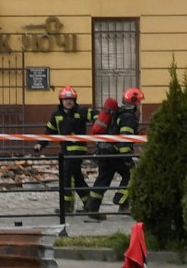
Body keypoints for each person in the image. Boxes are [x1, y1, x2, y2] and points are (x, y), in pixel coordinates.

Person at [43, 85, 98, 218]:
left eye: (71, 99)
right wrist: (40, 144)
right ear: (61, 101)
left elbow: (96, 115)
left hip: (78, 150)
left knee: (67, 174)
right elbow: (50, 131)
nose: (69, 101)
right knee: (77, 177)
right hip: (66, 150)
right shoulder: (57, 115)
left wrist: (98, 126)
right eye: (66, 99)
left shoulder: (81, 111)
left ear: (75, 100)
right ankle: (89, 204)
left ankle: (67, 206)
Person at [89, 87, 142, 214]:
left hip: (104, 151)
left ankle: (92, 208)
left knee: (103, 179)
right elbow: (124, 139)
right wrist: (127, 159)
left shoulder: (117, 113)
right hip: (116, 154)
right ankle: (121, 201)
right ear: (135, 102)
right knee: (131, 175)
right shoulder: (129, 117)